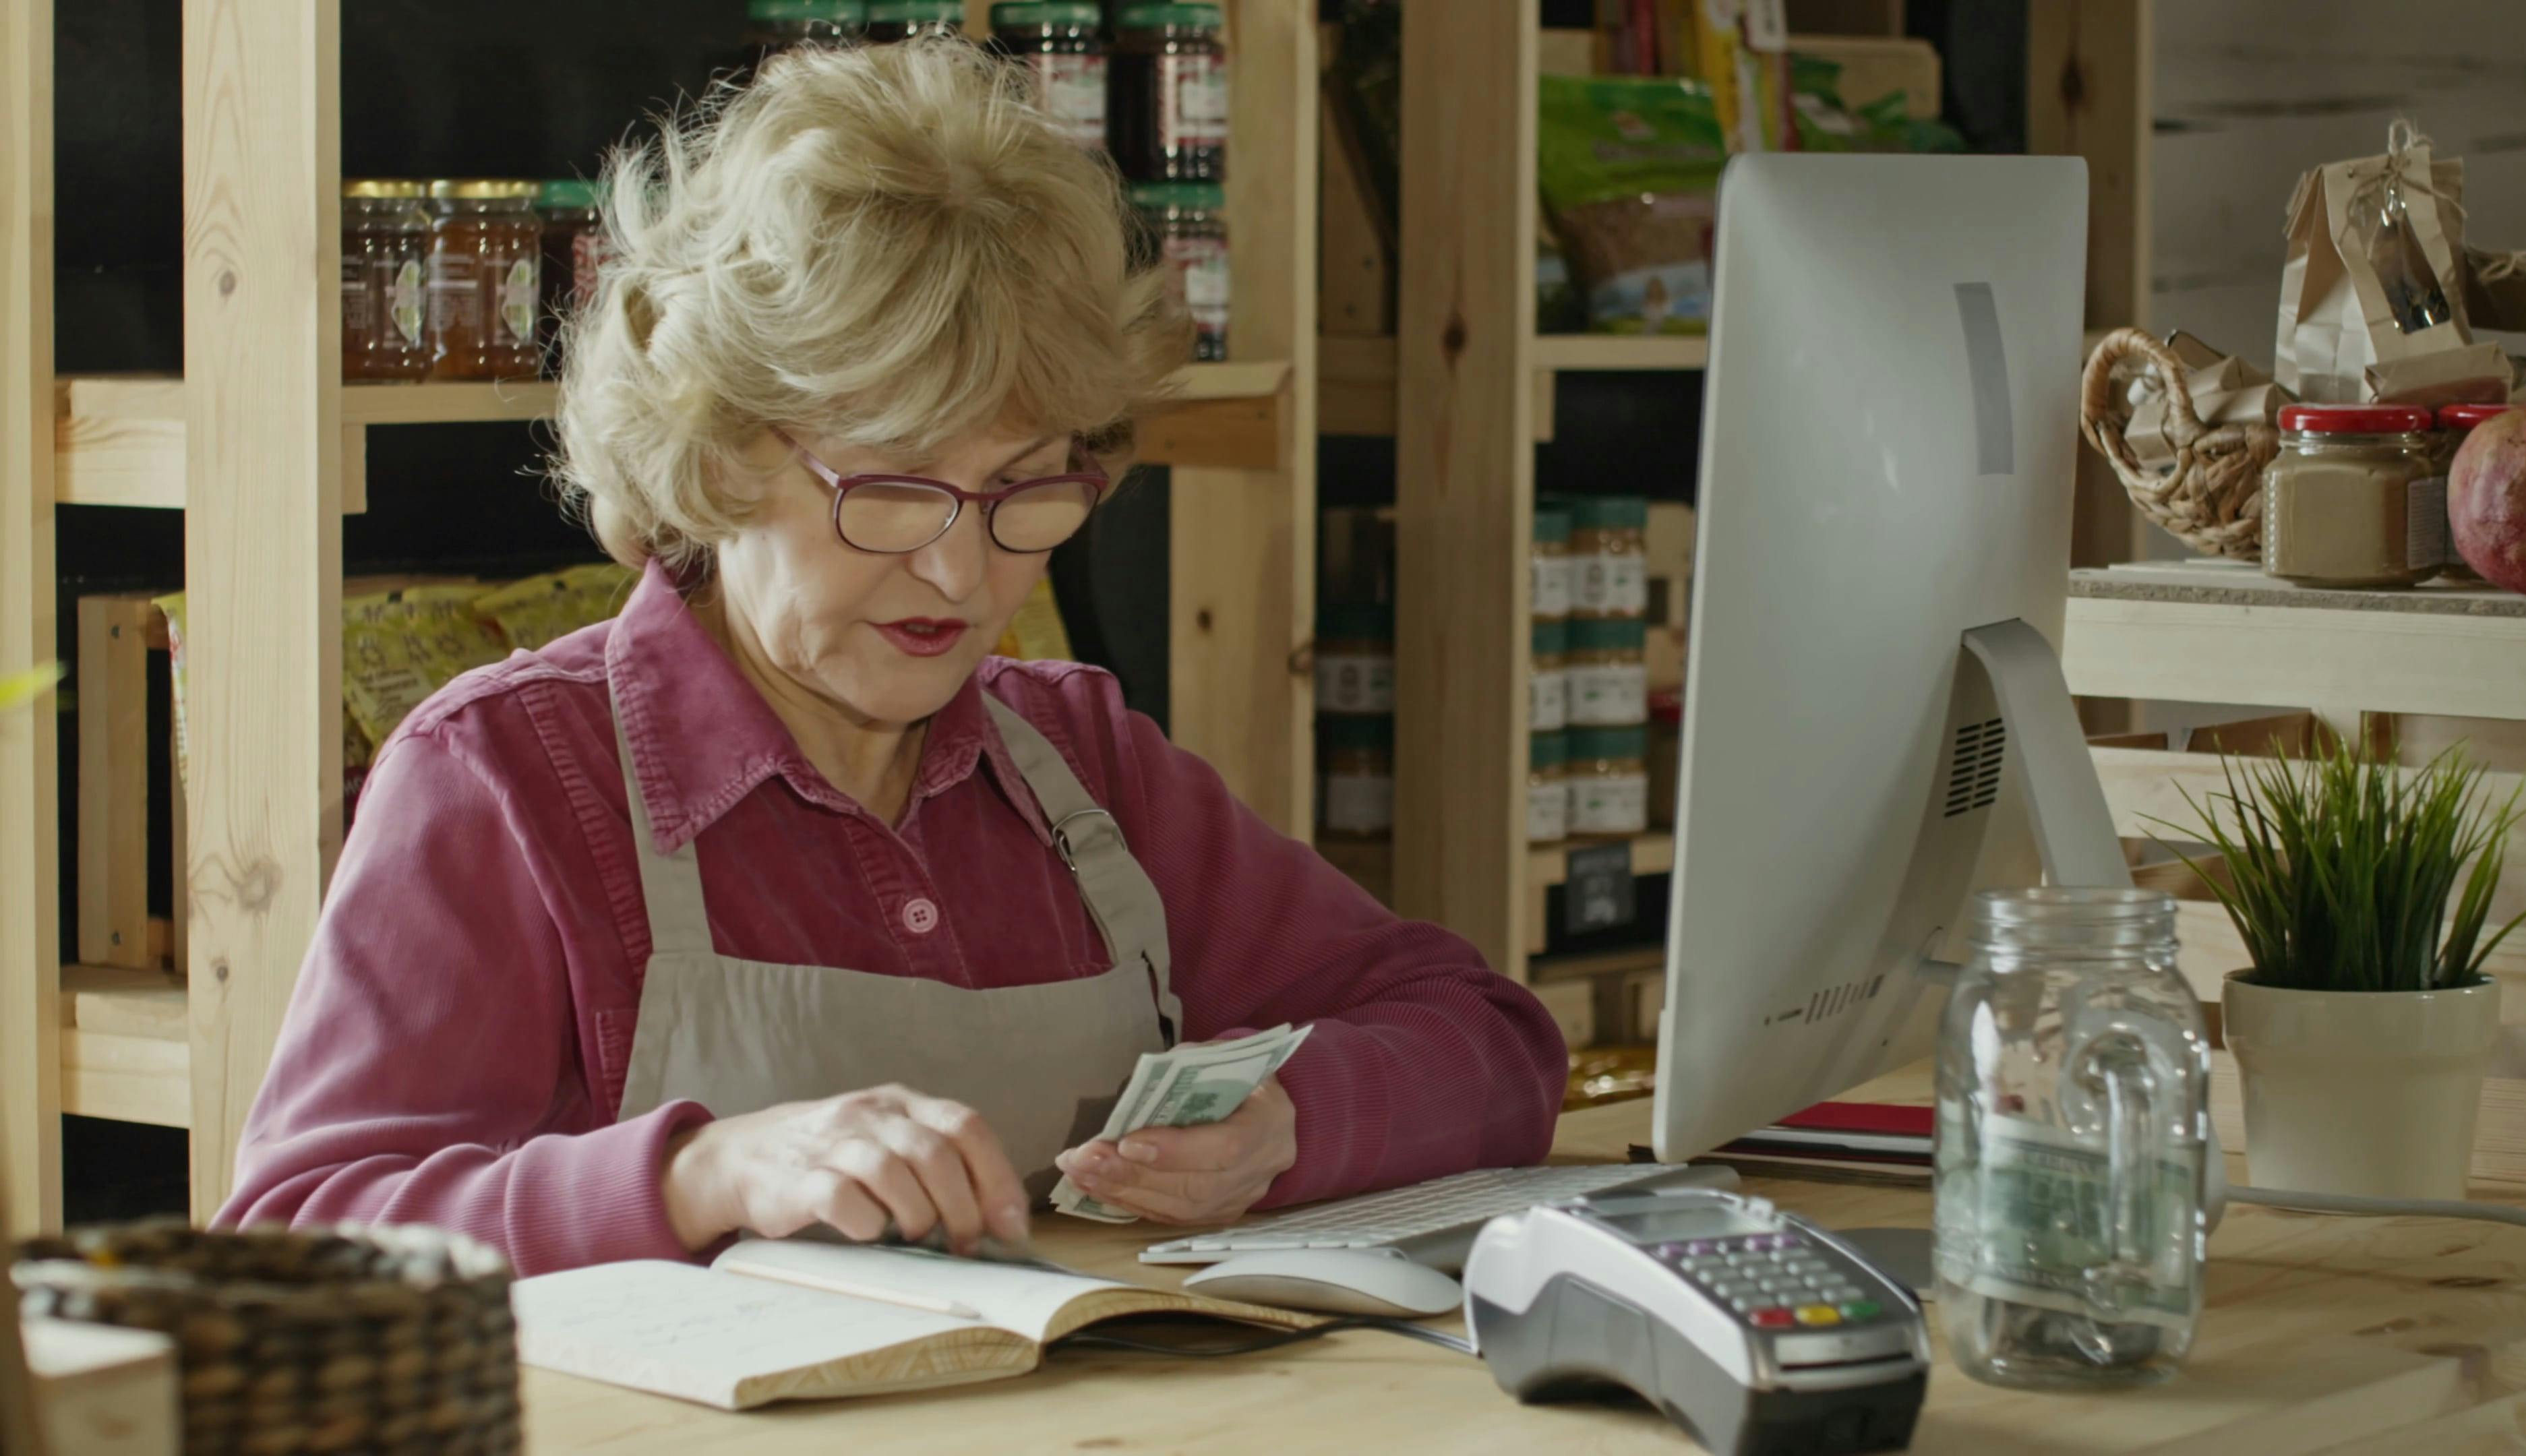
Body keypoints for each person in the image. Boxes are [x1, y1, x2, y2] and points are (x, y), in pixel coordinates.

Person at [217, 40, 1567, 1275]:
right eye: (895, 489)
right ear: (717, 451)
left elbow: (1491, 1041)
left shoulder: (1082, 765)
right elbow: (298, 1239)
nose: (963, 575)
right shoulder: (504, 781)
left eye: (1025, 489)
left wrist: (1288, 1125)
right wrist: (699, 1177)